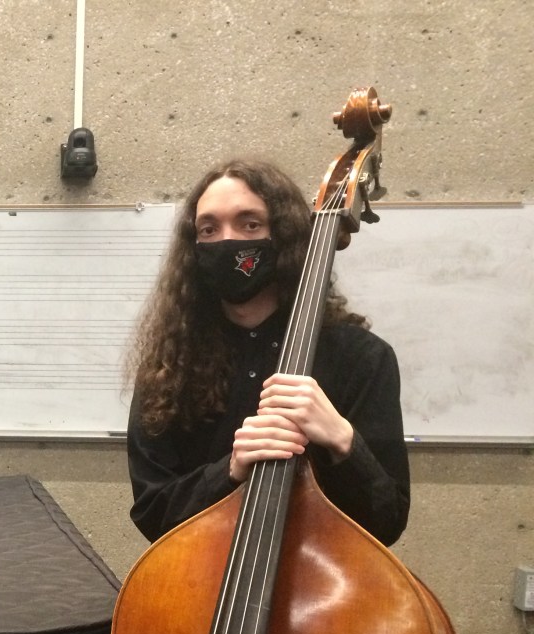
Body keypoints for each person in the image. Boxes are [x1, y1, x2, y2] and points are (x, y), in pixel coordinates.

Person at [125, 158, 409, 547]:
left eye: (250, 224)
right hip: (200, 581)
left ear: (285, 235)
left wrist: (344, 440)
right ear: (193, 248)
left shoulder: (361, 358)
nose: (228, 241)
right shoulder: (169, 365)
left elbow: (387, 521)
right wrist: (230, 470)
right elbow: (153, 512)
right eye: (208, 229)